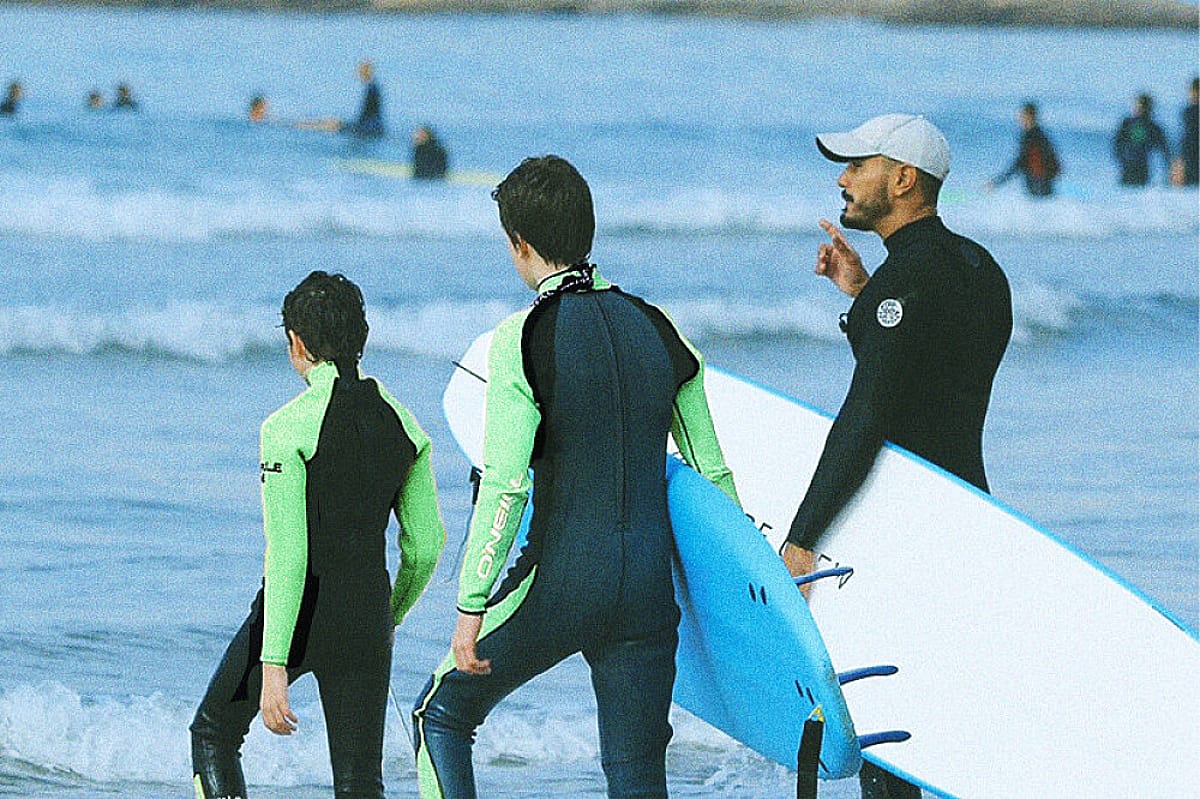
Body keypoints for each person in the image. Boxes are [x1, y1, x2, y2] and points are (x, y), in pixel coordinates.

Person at [411, 155, 739, 799]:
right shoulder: (661, 329)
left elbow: (505, 488)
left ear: (520, 244)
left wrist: (470, 607)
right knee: (637, 774)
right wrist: (726, 599)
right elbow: (711, 476)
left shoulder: (522, 339)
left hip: (559, 585)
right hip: (647, 595)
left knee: (440, 716)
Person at [780, 114, 1012, 799]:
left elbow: (869, 413)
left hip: (902, 531)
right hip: (969, 511)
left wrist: (803, 535)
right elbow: (928, 381)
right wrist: (863, 297)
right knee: (934, 717)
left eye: (859, 166)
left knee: (887, 731)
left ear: (903, 178)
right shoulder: (978, 267)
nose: (843, 180)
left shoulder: (905, 282)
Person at [190, 271, 447, 799]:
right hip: (366, 617)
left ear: (297, 343)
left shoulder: (285, 428)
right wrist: (389, 615)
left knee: (214, 735)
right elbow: (426, 542)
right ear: (362, 339)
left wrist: (274, 663)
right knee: (359, 782)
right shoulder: (405, 424)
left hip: (297, 620)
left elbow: (289, 554)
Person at [987, 101, 1061, 197]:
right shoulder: (1040, 134)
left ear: (1029, 117)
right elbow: (1053, 160)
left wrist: (997, 182)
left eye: (1022, 115)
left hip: (1038, 183)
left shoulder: (1031, 136)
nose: (1019, 119)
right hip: (1042, 182)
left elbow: (1020, 161)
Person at [1112, 93, 1170, 186]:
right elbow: (1117, 143)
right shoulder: (1128, 123)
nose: (1139, 109)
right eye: (1138, 106)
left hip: (1141, 167)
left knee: (1136, 191)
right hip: (1128, 165)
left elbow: (1165, 149)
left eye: (1142, 106)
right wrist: (1121, 158)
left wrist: (1169, 169)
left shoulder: (1152, 126)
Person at [343, 60, 385, 139]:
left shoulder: (372, 89)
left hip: (369, 127)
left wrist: (354, 125)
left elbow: (367, 112)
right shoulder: (373, 87)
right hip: (373, 125)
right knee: (336, 124)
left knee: (334, 125)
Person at [1170, 77, 1198, 187]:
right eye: (1193, 91)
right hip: (1189, 157)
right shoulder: (1187, 111)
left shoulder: (1188, 111)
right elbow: (1184, 137)